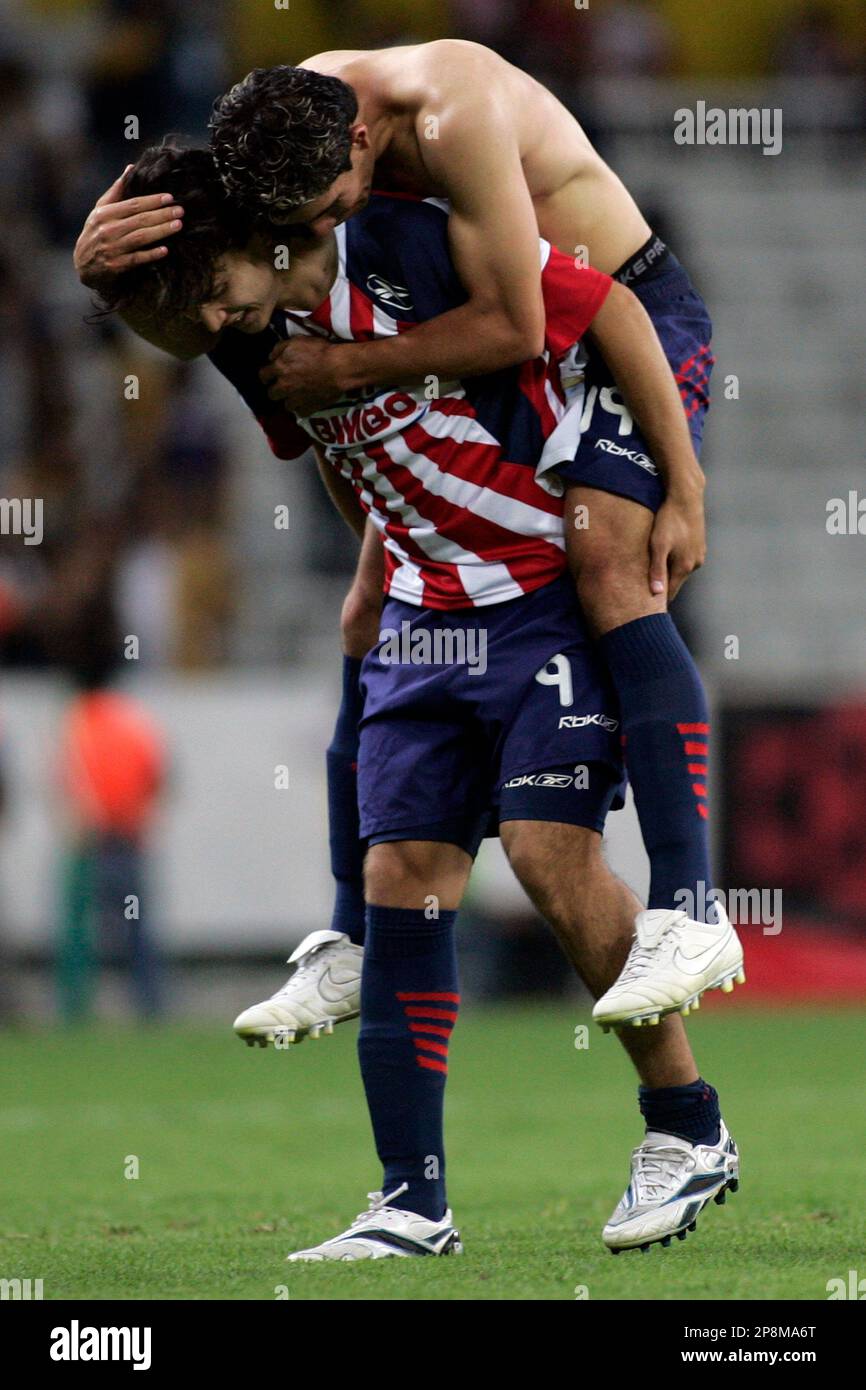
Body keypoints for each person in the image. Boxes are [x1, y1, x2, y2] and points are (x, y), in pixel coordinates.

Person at [81, 144, 742, 1255]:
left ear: (258, 240)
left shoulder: (414, 243)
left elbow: (602, 311)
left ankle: (685, 1122)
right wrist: (383, 555)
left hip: (541, 592)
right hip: (423, 616)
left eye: (206, 288)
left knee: (548, 856)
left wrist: (679, 488)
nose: (200, 318)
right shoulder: (247, 337)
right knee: (401, 881)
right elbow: (337, 454)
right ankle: (410, 1201)